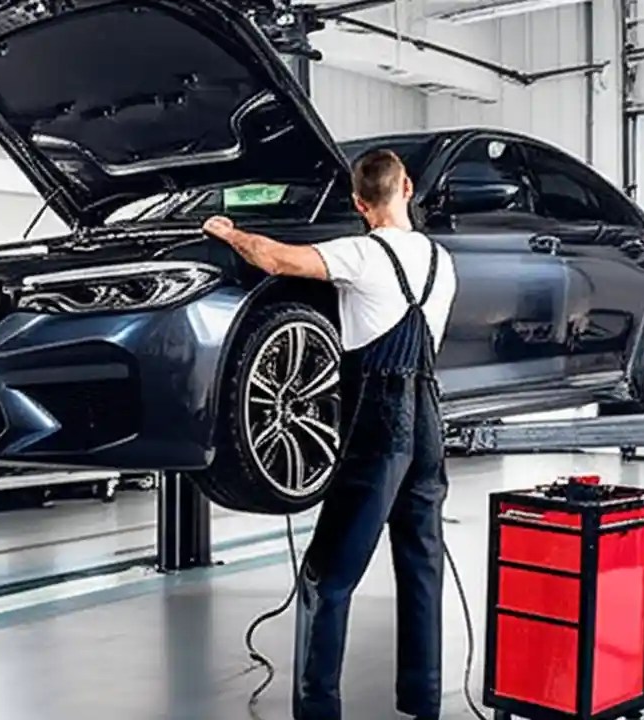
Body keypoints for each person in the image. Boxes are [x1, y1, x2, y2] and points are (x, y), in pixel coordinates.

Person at [201, 148, 457, 720]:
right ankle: (424, 701)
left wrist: (229, 231)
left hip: (380, 425)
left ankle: (318, 710)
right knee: (421, 565)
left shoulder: (361, 254)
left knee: (327, 574)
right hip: (429, 425)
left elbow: (276, 260)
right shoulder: (443, 261)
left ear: (359, 204)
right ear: (408, 187)